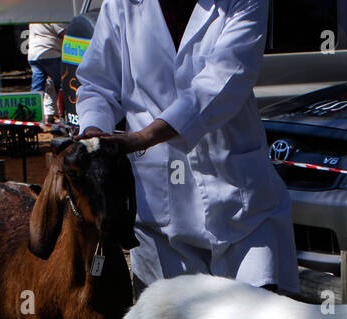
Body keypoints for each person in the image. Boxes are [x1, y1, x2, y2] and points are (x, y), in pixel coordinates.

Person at [73, 0, 297, 294]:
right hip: (160, 216)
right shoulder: (122, 4)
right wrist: (94, 136)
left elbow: (222, 83)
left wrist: (141, 138)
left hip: (240, 208)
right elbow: (97, 85)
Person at [27, 22, 65, 123]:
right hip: (50, 53)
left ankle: (33, 117)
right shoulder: (52, 15)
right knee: (62, 86)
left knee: (37, 89)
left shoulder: (33, 17)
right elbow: (63, 32)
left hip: (33, 54)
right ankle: (65, 116)